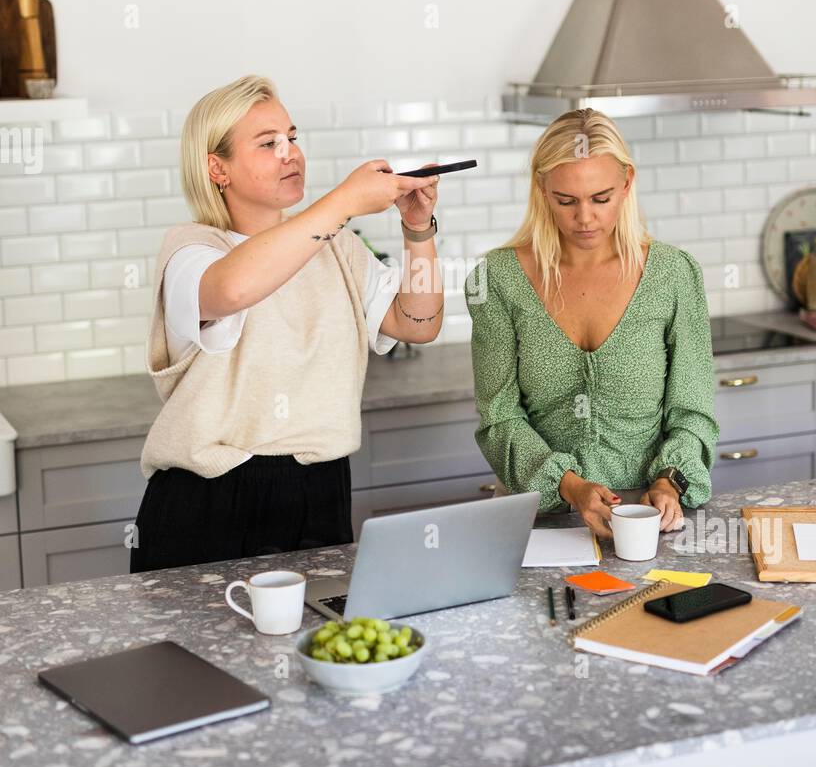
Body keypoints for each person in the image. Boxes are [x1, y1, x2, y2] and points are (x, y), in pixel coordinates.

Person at [131, 74, 442, 572]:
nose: (290, 153)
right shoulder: (190, 251)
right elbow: (233, 289)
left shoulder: (337, 246)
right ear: (218, 167)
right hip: (208, 502)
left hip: (320, 493)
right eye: (268, 143)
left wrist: (418, 229)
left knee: (311, 646)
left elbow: (418, 322)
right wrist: (344, 201)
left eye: (292, 138)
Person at [464, 108, 719, 538]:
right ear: (542, 189)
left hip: (646, 517)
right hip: (537, 522)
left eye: (601, 198)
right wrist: (570, 487)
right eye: (567, 201)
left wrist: (667, 481)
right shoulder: (498, 280)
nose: (585, 218)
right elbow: (499, 418)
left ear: (627, 183)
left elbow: (693, 411)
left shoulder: (674, 274)